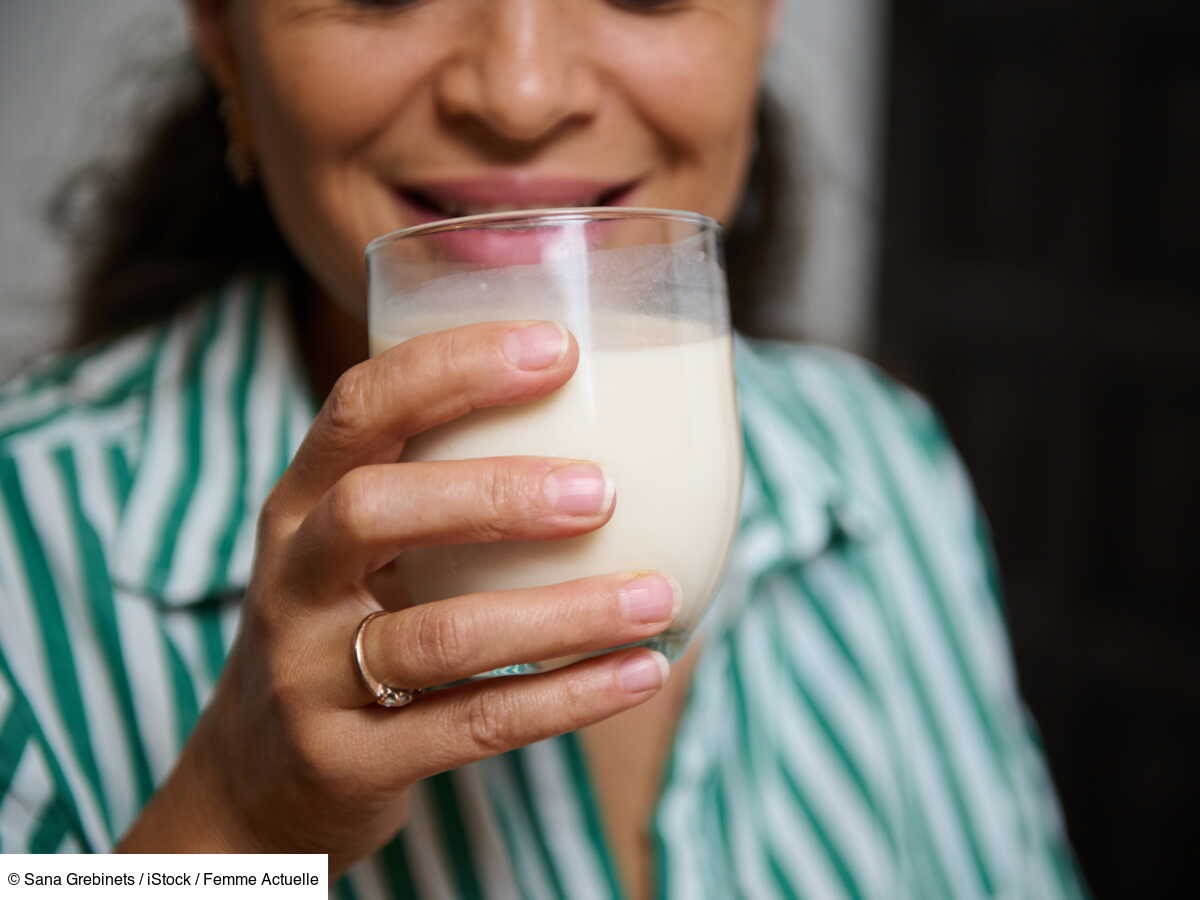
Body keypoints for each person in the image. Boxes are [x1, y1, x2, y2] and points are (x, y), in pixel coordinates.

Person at [0, 1, 1088, 897]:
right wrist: (236, 829)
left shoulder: (881, 459)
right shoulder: (22, 548)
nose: (519, 95)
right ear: (224, 37)